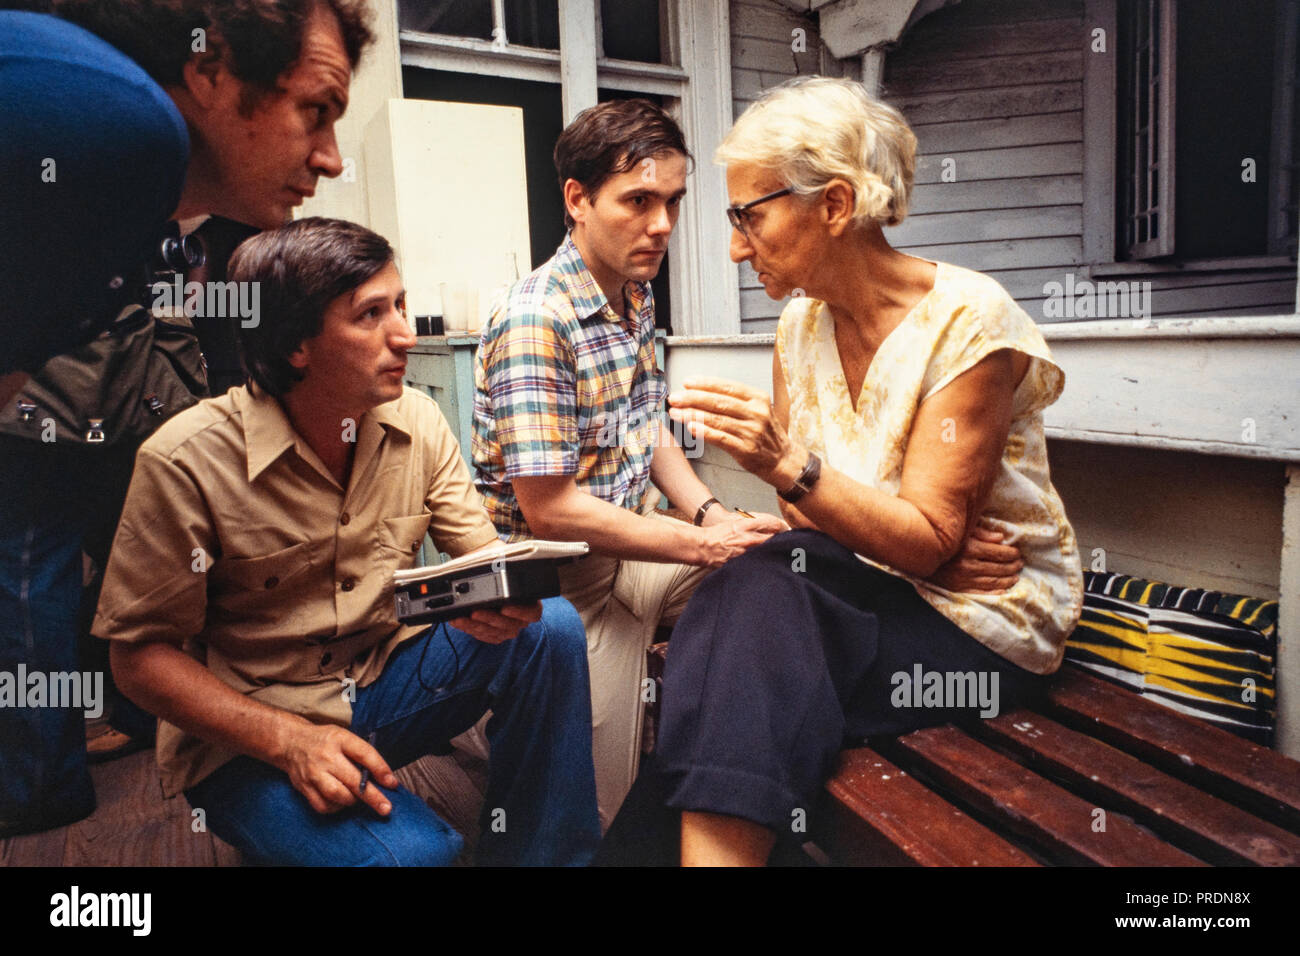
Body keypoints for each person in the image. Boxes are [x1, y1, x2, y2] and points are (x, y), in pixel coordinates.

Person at [636, 76, 1084, 865]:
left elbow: (922, 537)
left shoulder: (971, 322)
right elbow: (832, 524)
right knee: (752, 579)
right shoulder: (799, 326)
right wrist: (899, 540)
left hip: (979, 629)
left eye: (750, 216)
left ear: (835, 206)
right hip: (878, 591)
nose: (737, 247)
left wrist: (807, 476)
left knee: (746, 634)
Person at [93, 218, 601, 866]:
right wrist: (289, 742)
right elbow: (137, 661)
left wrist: (502, 600)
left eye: (401, 306)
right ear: (296, 344)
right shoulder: (186, 459)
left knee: (549, 628)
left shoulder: (415, 418)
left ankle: (544, 857)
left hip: (382, 683)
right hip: (251, 734)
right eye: (370, 315)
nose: (404, 334)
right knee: (413, 856)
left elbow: (480, 555)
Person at [0, 0, 369, 838]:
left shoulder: (154, 197)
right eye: (315, 110)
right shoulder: (122, 131)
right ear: (209, 70)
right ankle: (37, 802)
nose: (333, 158)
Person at [471, 99, 788, 829]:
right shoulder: (536, 319)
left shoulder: (635, 294)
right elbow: (551, 510)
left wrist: (714, 516)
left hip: (637, 550)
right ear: (577, 199)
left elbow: (651, 431)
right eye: (638, 201)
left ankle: (731, 791)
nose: (662, 226)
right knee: (593, 813)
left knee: (776, 561)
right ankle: (502, 745)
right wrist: (699, 542)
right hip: (562, 590)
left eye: (673, 202)